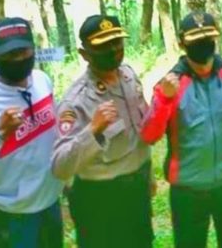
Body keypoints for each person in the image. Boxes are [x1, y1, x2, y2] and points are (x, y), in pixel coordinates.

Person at [140, 12, 222, 248]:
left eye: (208, 38)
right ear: (182, 43)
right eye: (195, 40)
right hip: (188, 189)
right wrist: (164, 100)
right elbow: (150, 135)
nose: (203, 44)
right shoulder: (170, 84)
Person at [52, 15, 153, 248]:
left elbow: (138, 136)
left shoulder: (128, 77)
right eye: (103, 45)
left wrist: (148, 176)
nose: (113, 49)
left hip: (136, 189)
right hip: (100, 199)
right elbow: (60, 166)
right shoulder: (75, 102)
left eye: (117, 42)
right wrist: (92, 131)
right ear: (85, 54)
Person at [0, 17, 62, 248]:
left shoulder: (42, 81)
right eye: (10, 54)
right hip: (12, 212)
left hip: (50, 201)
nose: (18, 59)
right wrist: (1, 135)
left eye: (23, 52)